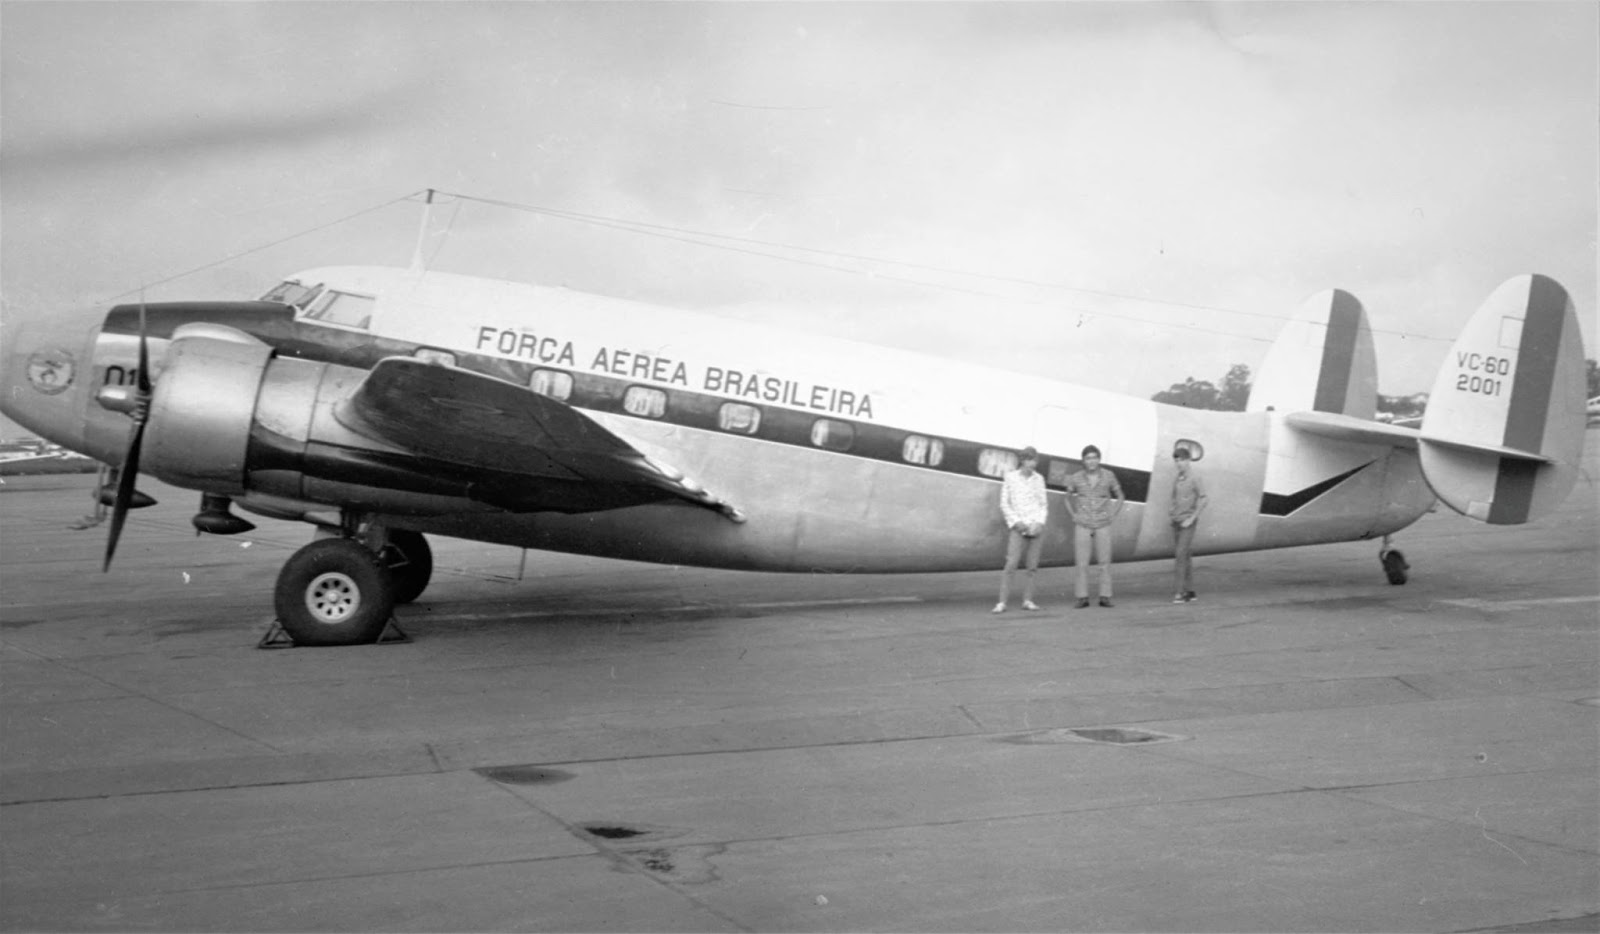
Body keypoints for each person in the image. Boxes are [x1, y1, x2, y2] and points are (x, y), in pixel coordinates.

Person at [1065, 444, 1124, 608]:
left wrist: (1113, 513)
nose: (1091, 461)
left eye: (1094, 458)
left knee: (1104, 561)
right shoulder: (1076, 477)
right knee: (1081, 562)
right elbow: (1067, 497)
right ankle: (1082, 597)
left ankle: (1105, 596)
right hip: (1083, 523)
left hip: (1102, 523)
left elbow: (1120, 496)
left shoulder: (1109, 476)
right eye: (1088, 458)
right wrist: (1073, 515)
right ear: (1083, 461)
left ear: (1099, 459)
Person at [994, 446, 1048, 613]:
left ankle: (1028, 600)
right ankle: (1002, 602)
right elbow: (1004, 503)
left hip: (1034, 526)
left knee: (1032, 566)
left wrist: (1039, 523)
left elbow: (1043, 504)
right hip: (1018, 527)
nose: (1031, 464)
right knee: (1011, 564)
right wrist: (1016, 522)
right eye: (1028, 460)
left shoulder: (1039, 479)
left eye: (1034, 461)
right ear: (1022, 461)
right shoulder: (1010, 478)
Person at [1169, 447, 1208, 603]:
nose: (1179, 464)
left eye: (1182, 460)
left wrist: (1192, 519)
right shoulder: (1178, 478)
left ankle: (1180, 593)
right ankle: (1191, 591)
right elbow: (1174, 498)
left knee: (1180, 555)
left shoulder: (1195, 477)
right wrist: (1172, 516)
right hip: (1177, 522)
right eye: (1177, 461)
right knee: (1186, 556)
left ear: (1188, 460)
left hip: (1187, 523)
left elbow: (1204, 499)